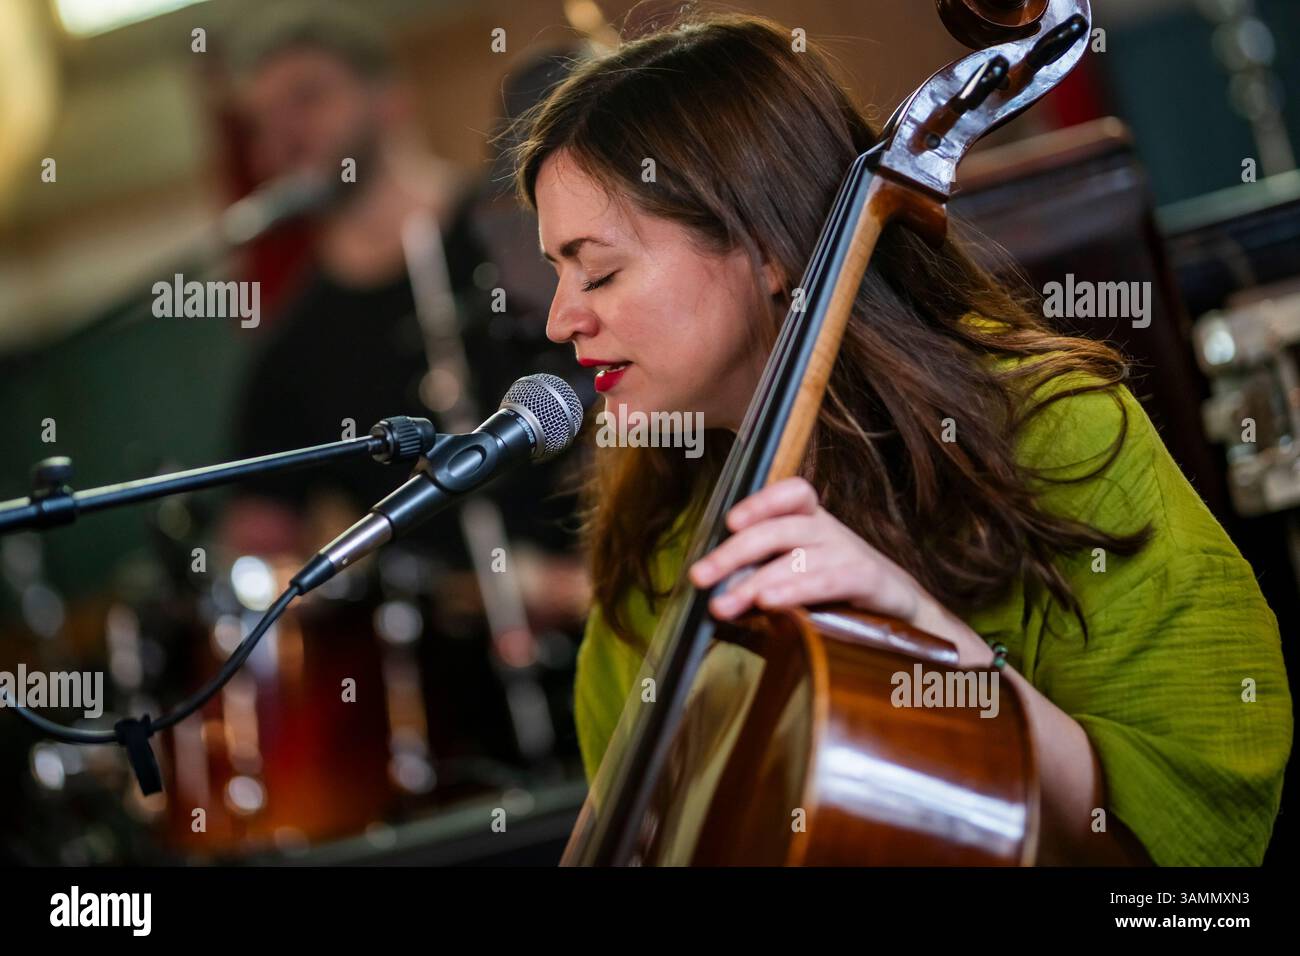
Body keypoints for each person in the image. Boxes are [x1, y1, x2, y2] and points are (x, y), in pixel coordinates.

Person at [511, 12, 1292, 865]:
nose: (561, 319)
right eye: (557, 274)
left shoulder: (1056, 434)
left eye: (601, 271)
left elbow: (1191, 833)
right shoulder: (658, 554)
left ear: (768, 249)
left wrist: (923, 636)